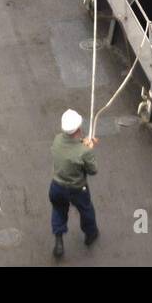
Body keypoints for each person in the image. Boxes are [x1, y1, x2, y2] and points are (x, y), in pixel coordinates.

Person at [50, 108, 99, 259]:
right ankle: (90, 234)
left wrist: (83, 145)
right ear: (78, 128)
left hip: (56, 186)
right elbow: (93, 170)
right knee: (86, 210)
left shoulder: (57, 139)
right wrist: (89, 149)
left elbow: (73, 149)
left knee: (58, 210)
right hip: (77, 189)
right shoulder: (84, 151)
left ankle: (59, 239)